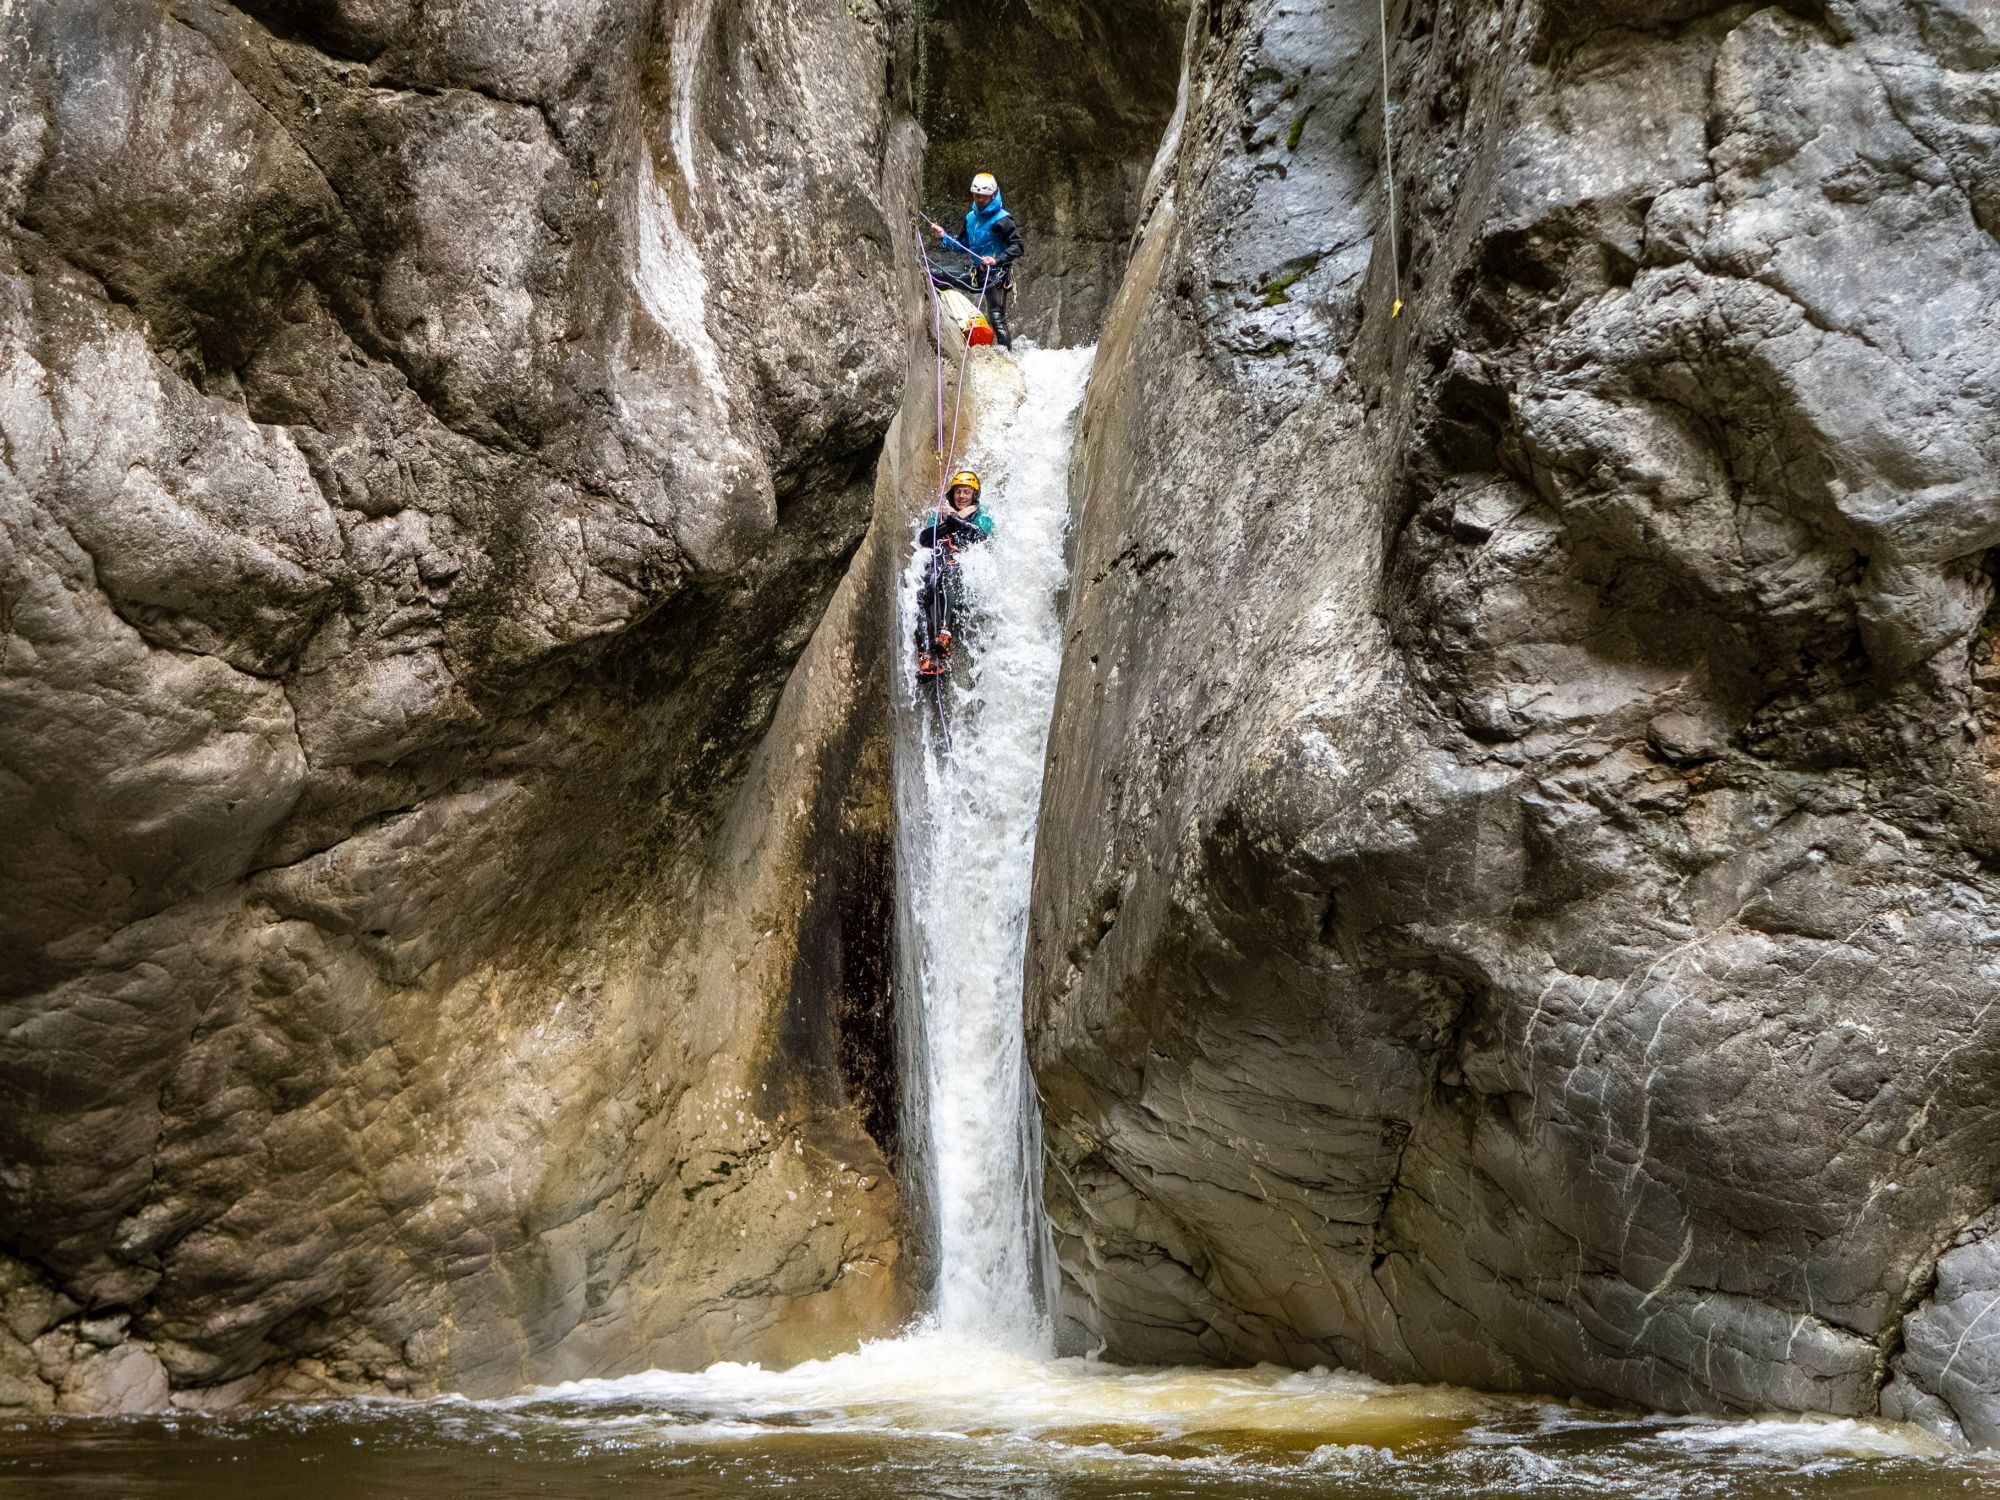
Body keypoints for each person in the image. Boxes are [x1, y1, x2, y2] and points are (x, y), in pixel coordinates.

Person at [929, 172, 1024, 348]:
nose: (979, 199)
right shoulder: (971, 217)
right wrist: (943, 236)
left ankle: (1007, 356)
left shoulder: (1003, 219)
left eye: (983, 196)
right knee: (933, 274)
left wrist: (997, 260)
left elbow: (1017, 246)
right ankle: (955, 324)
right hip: (975, 272)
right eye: (976, 195)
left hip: (995, 276)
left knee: (997, 319)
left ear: (993, 195)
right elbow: (963, 245)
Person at [914, 470, 993, 678]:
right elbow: (925, 538)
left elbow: (979, 535)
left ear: (974, 495)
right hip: (939, 565)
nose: (961, 496)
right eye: (958, 492)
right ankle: (927, 656)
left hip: (964, 570)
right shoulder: (940, 515)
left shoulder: (982, 515)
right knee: (920, 595)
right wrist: (949, 520)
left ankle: (945, 633)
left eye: (966, 492)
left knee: (950, 569)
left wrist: (954, 519)